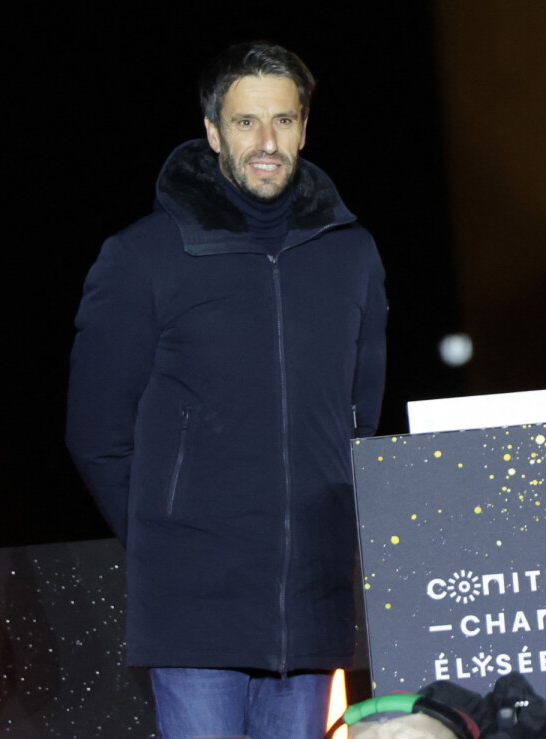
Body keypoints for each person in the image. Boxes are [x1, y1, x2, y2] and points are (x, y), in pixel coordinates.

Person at [66, 42, 387, 739]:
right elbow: (95, 432)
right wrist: (171, 542)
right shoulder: (143, 256)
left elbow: (359, 416)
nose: (266, 142)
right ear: (212, 131)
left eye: (283, 120)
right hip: (195, 611)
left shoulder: (352, 255)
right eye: (246, 122)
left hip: (311, 603)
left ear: (304, 127)